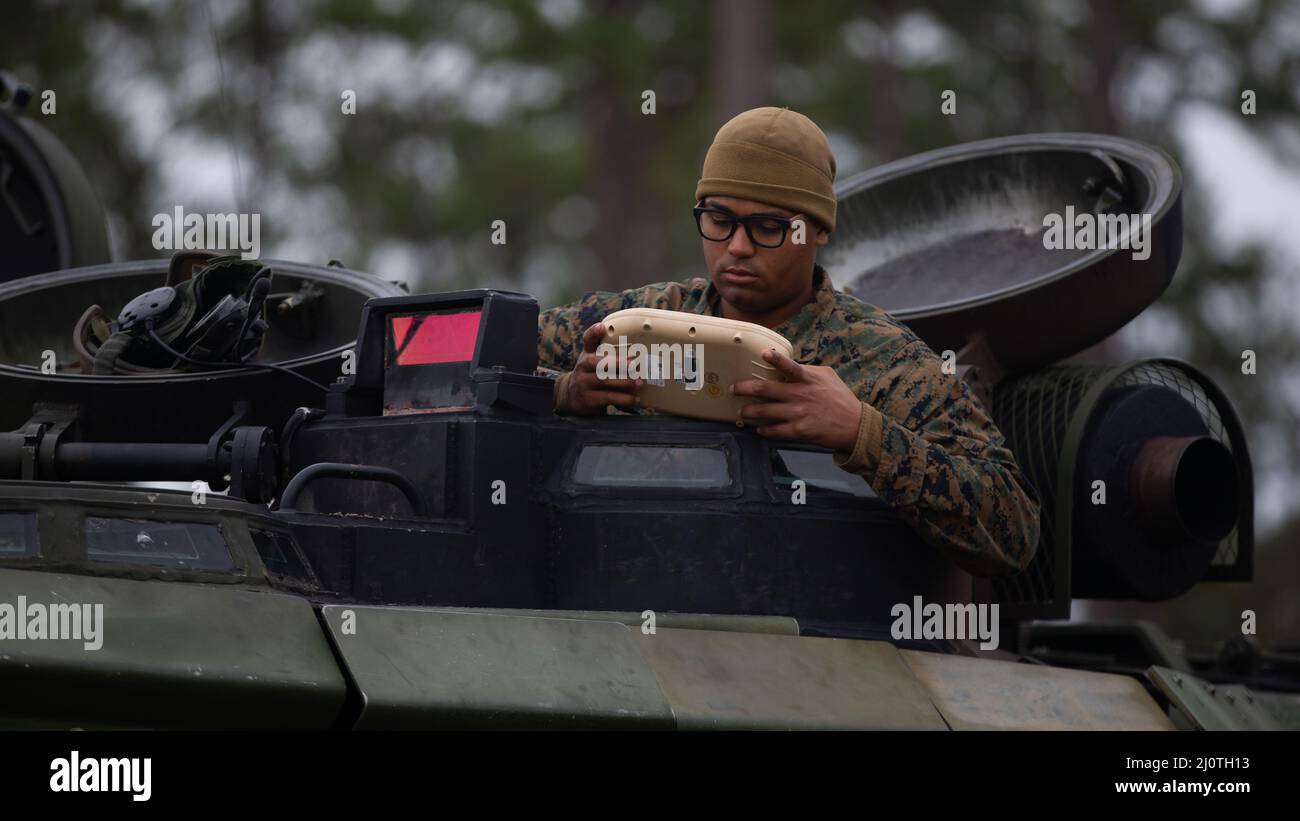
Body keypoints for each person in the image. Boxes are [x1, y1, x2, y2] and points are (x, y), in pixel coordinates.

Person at [537, 106, 1039, 577]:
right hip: (636, 607)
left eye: (769, 228)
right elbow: (470, 357)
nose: (737, 246)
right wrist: (564, 393)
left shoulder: (886, 362)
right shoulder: (634, 322)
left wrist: (861, 434)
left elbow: (1013, 530)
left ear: (817, 230)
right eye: (719, 220)